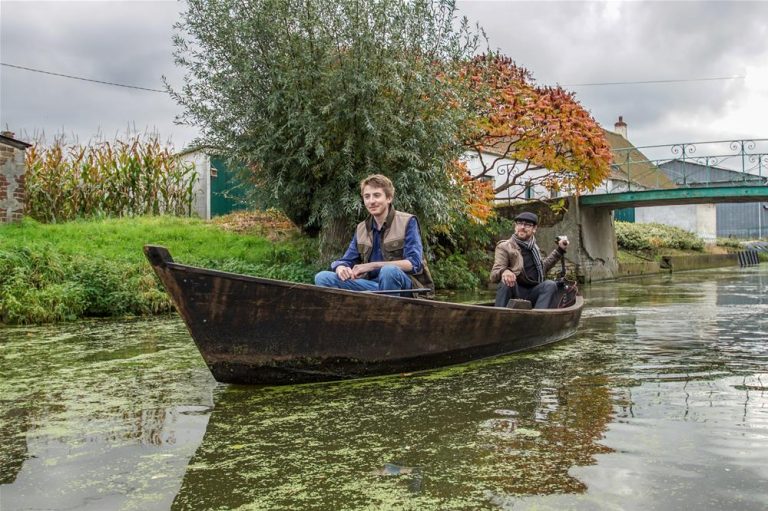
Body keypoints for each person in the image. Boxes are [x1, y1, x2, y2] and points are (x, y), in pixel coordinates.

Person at [314, 174, 433, 295]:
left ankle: (383, 308)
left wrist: (372, 266)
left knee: (389, 271)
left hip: (405, 287)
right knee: (322, 277)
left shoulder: (408, 221)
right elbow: (347, 260)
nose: (371, 201)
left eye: (376, 195)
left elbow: (414, 264)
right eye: (367, 196)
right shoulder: (361, 228)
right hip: (373, 286)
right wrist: (341, 268)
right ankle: (374, 297)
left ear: (389, 198)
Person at [490, 211, 569, 309]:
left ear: (534, 229)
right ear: (515, 226)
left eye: (527, 225)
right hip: (515, 292)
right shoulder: (505, 246)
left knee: (550, 285)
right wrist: (504, 271)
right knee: (506, 282)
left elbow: (542, 269)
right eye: (520, 223)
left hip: (533, 291)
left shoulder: (534, 247)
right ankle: (498, 316)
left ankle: (538, 317)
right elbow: (494, 274)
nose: (522, 227)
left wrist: (560, 250)